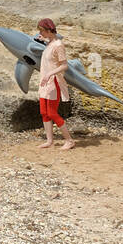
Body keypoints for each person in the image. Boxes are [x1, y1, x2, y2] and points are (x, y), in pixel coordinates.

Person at [36, 18, 76, 150]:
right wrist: (44, 40)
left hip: (54, 82)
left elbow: (64, 66)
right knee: (44, 112)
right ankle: (49, 140)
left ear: (48, 30)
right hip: (45, 82)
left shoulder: (58, 45)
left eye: (42, 30)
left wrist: (50, 74)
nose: (40, 33)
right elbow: (50, 48)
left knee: (52, 113)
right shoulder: (50, 43)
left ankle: (69, 140)